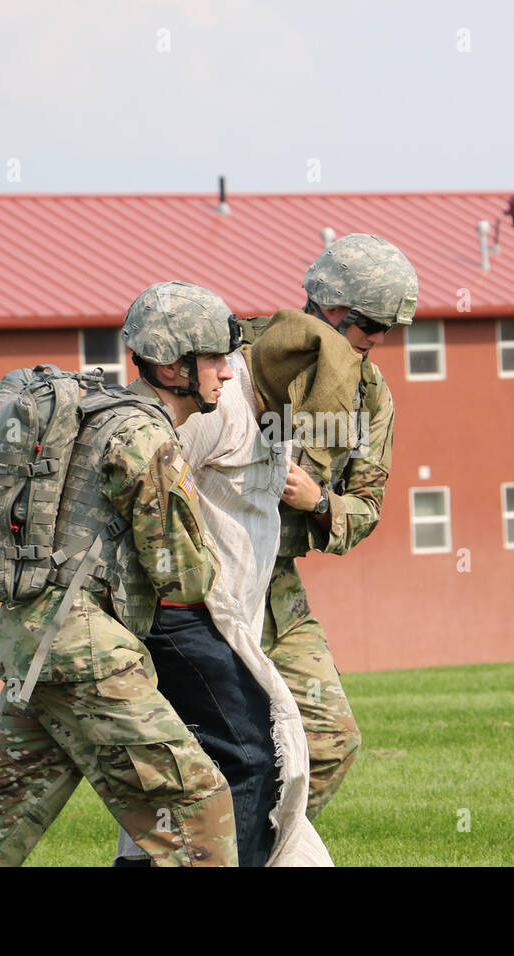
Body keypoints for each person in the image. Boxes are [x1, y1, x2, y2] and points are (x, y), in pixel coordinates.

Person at [0, 283, 240, 867]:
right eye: (214, 358)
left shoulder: (97, 415)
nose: (227, 372)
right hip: (87, 657)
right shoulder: (145, 438)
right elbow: (184, 579)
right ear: (173, 365)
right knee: (198, 807)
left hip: (36, 650)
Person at [114, 297, 350, 867]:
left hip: (225, 622)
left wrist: (320, 502)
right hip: (185, 621)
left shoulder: (274, 415)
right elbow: (146, 491)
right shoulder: (205, 412)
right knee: (250, 757)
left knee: (203, 774)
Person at [240, 233, 417, 819]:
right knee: (217, 753)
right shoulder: (241, 356)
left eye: (388, 330)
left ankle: (262, 850)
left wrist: (319, 502)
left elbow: (367, 506)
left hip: (277, 590)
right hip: (202, 584)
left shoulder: (370, 396)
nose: (377, 341)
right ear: (333, 306)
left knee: (332, 740)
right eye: (372, 325)